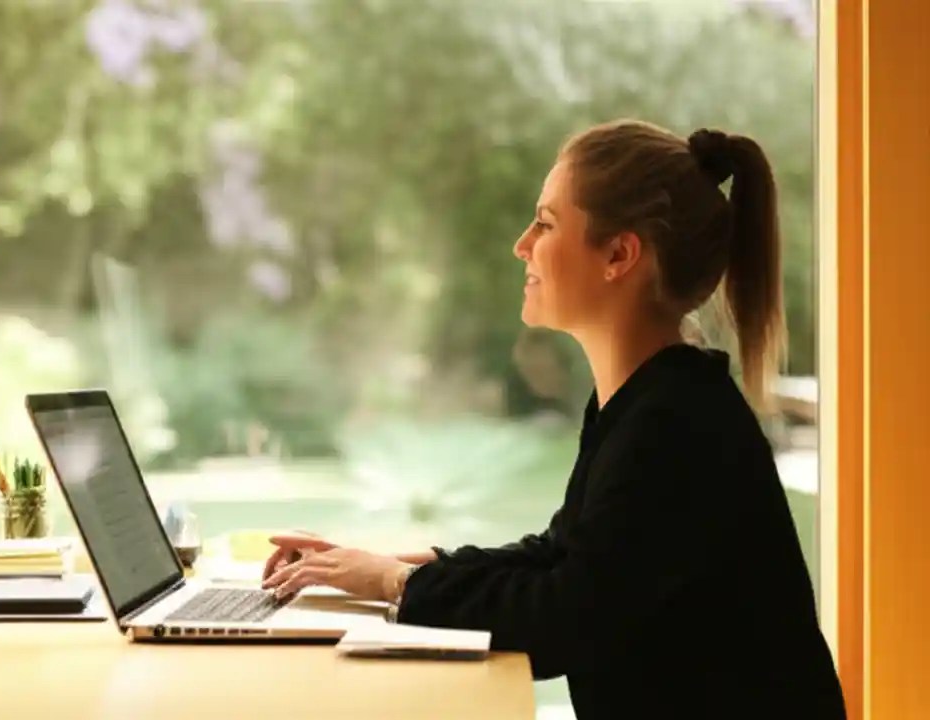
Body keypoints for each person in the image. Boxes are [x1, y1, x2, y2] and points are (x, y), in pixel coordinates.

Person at [261, 119, 847, 719]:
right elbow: (565, 555)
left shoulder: (676, 424)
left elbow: (564, 617)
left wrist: (397, 586)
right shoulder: (656, 398)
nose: (522, 245)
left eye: (544, 223)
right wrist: (406, 566)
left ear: (619, 254)